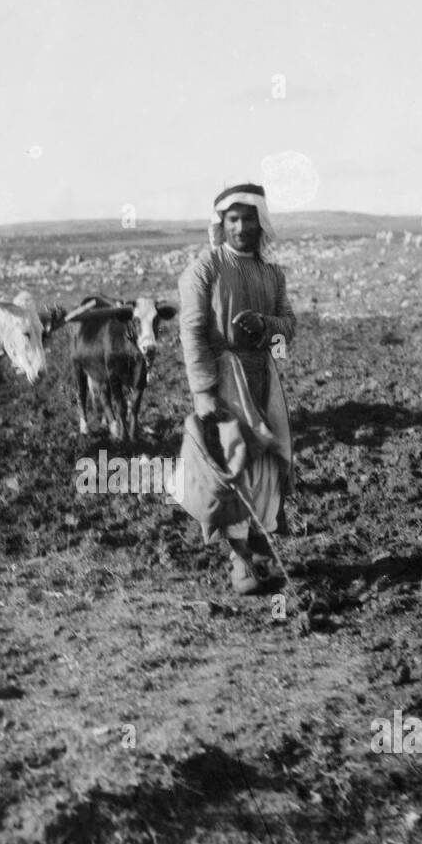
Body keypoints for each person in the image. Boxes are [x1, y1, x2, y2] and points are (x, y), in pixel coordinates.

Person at [176, 182, 295, 594]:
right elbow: (191, 332)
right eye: (233, 219)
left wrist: (268, 327)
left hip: (263, 378)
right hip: (224, 381)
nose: (241, 227)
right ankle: (241, 562)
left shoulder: (271, 274)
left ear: (260, 223)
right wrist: (204, 393)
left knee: (268, 467)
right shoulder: (205, 269)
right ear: (221, 224)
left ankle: (261, 550)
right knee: (233, 468)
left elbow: (288, 329)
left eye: (248, 219)